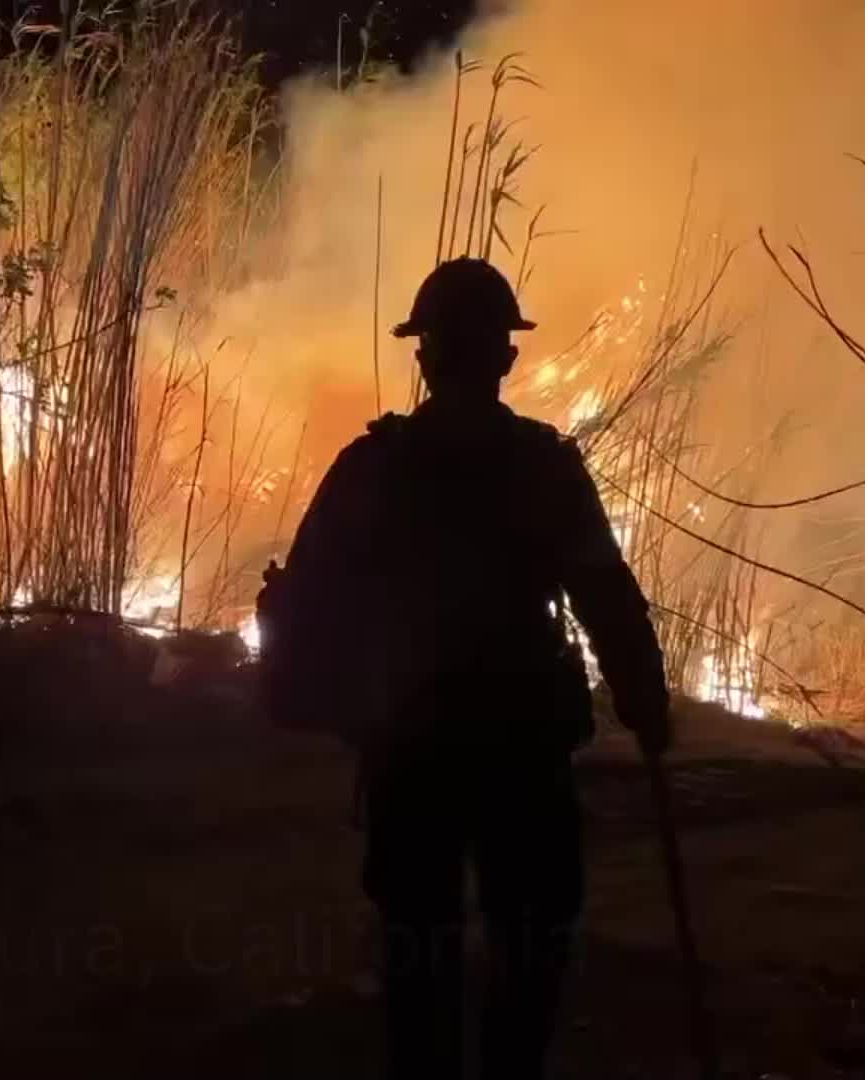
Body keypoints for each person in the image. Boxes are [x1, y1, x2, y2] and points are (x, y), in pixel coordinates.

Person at [278, 257, 671, 1079]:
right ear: (506, 358)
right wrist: (644, 701)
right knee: (532, 940)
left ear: (423, 356)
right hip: (518, 748)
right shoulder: (542, 466)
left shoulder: (373, 466)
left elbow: (308, 593)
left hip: (409, 746)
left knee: (419, 947)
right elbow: (605, 593)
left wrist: (329, 693)